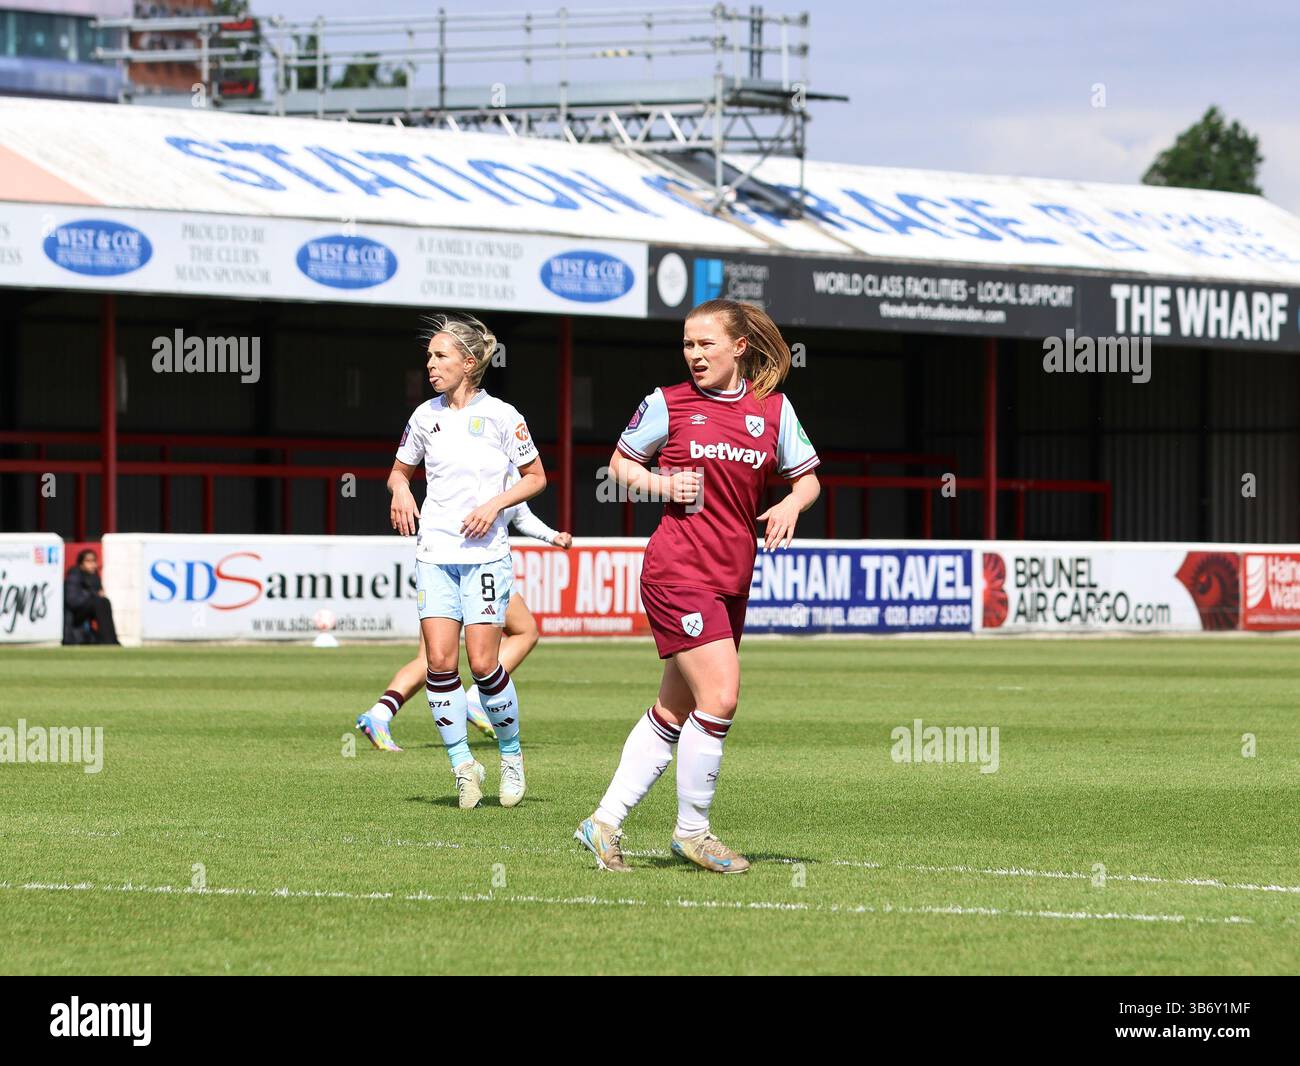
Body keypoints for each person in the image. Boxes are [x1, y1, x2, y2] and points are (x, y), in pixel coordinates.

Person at [575, 299, 820, 874]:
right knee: (722, 697)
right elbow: (620, 463)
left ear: (739, 347)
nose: (694, 354)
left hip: (731, 576)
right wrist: (663, 484)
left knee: (674, 708)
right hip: (677, 572)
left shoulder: (773, 410)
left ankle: (603, 821)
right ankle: (693, 832)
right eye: (687, 344)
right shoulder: (668, 402)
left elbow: (808, 480)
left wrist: (789, 503)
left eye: (705, 343)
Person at [387, 313, 546, 810]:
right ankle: (462, 765)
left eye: (440, 356)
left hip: (485, 557)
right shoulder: (423, 417)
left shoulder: (502, 415)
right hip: (434, 552)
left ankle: (511, 754)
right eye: (429, 356)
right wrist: (399, 492)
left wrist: (494, 504)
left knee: (482, 663)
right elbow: (398, 473)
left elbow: (536, 476)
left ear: (469, 362)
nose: (431, 364)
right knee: (438, 661)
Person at [356, 492, 573, 752]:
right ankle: (474, 701)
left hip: (443, 565)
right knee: (525, 631)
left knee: (432, 660)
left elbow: (520, 515)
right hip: (476, 566)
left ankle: (380, 714)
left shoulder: (505, 466)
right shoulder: (503, 464)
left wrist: (551, 536)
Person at [63, 549, 119, 645]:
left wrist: (96, 596)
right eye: (88, 561)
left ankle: (111, 640)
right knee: (99, 602)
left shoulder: (94, 577)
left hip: (86, 611)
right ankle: (108, 641)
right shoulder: (74, 575)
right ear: (81, 564)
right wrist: (94, 594)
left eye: (94, 561)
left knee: (104, 602)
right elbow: (72, 601)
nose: (93, 565)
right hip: (74, 616)